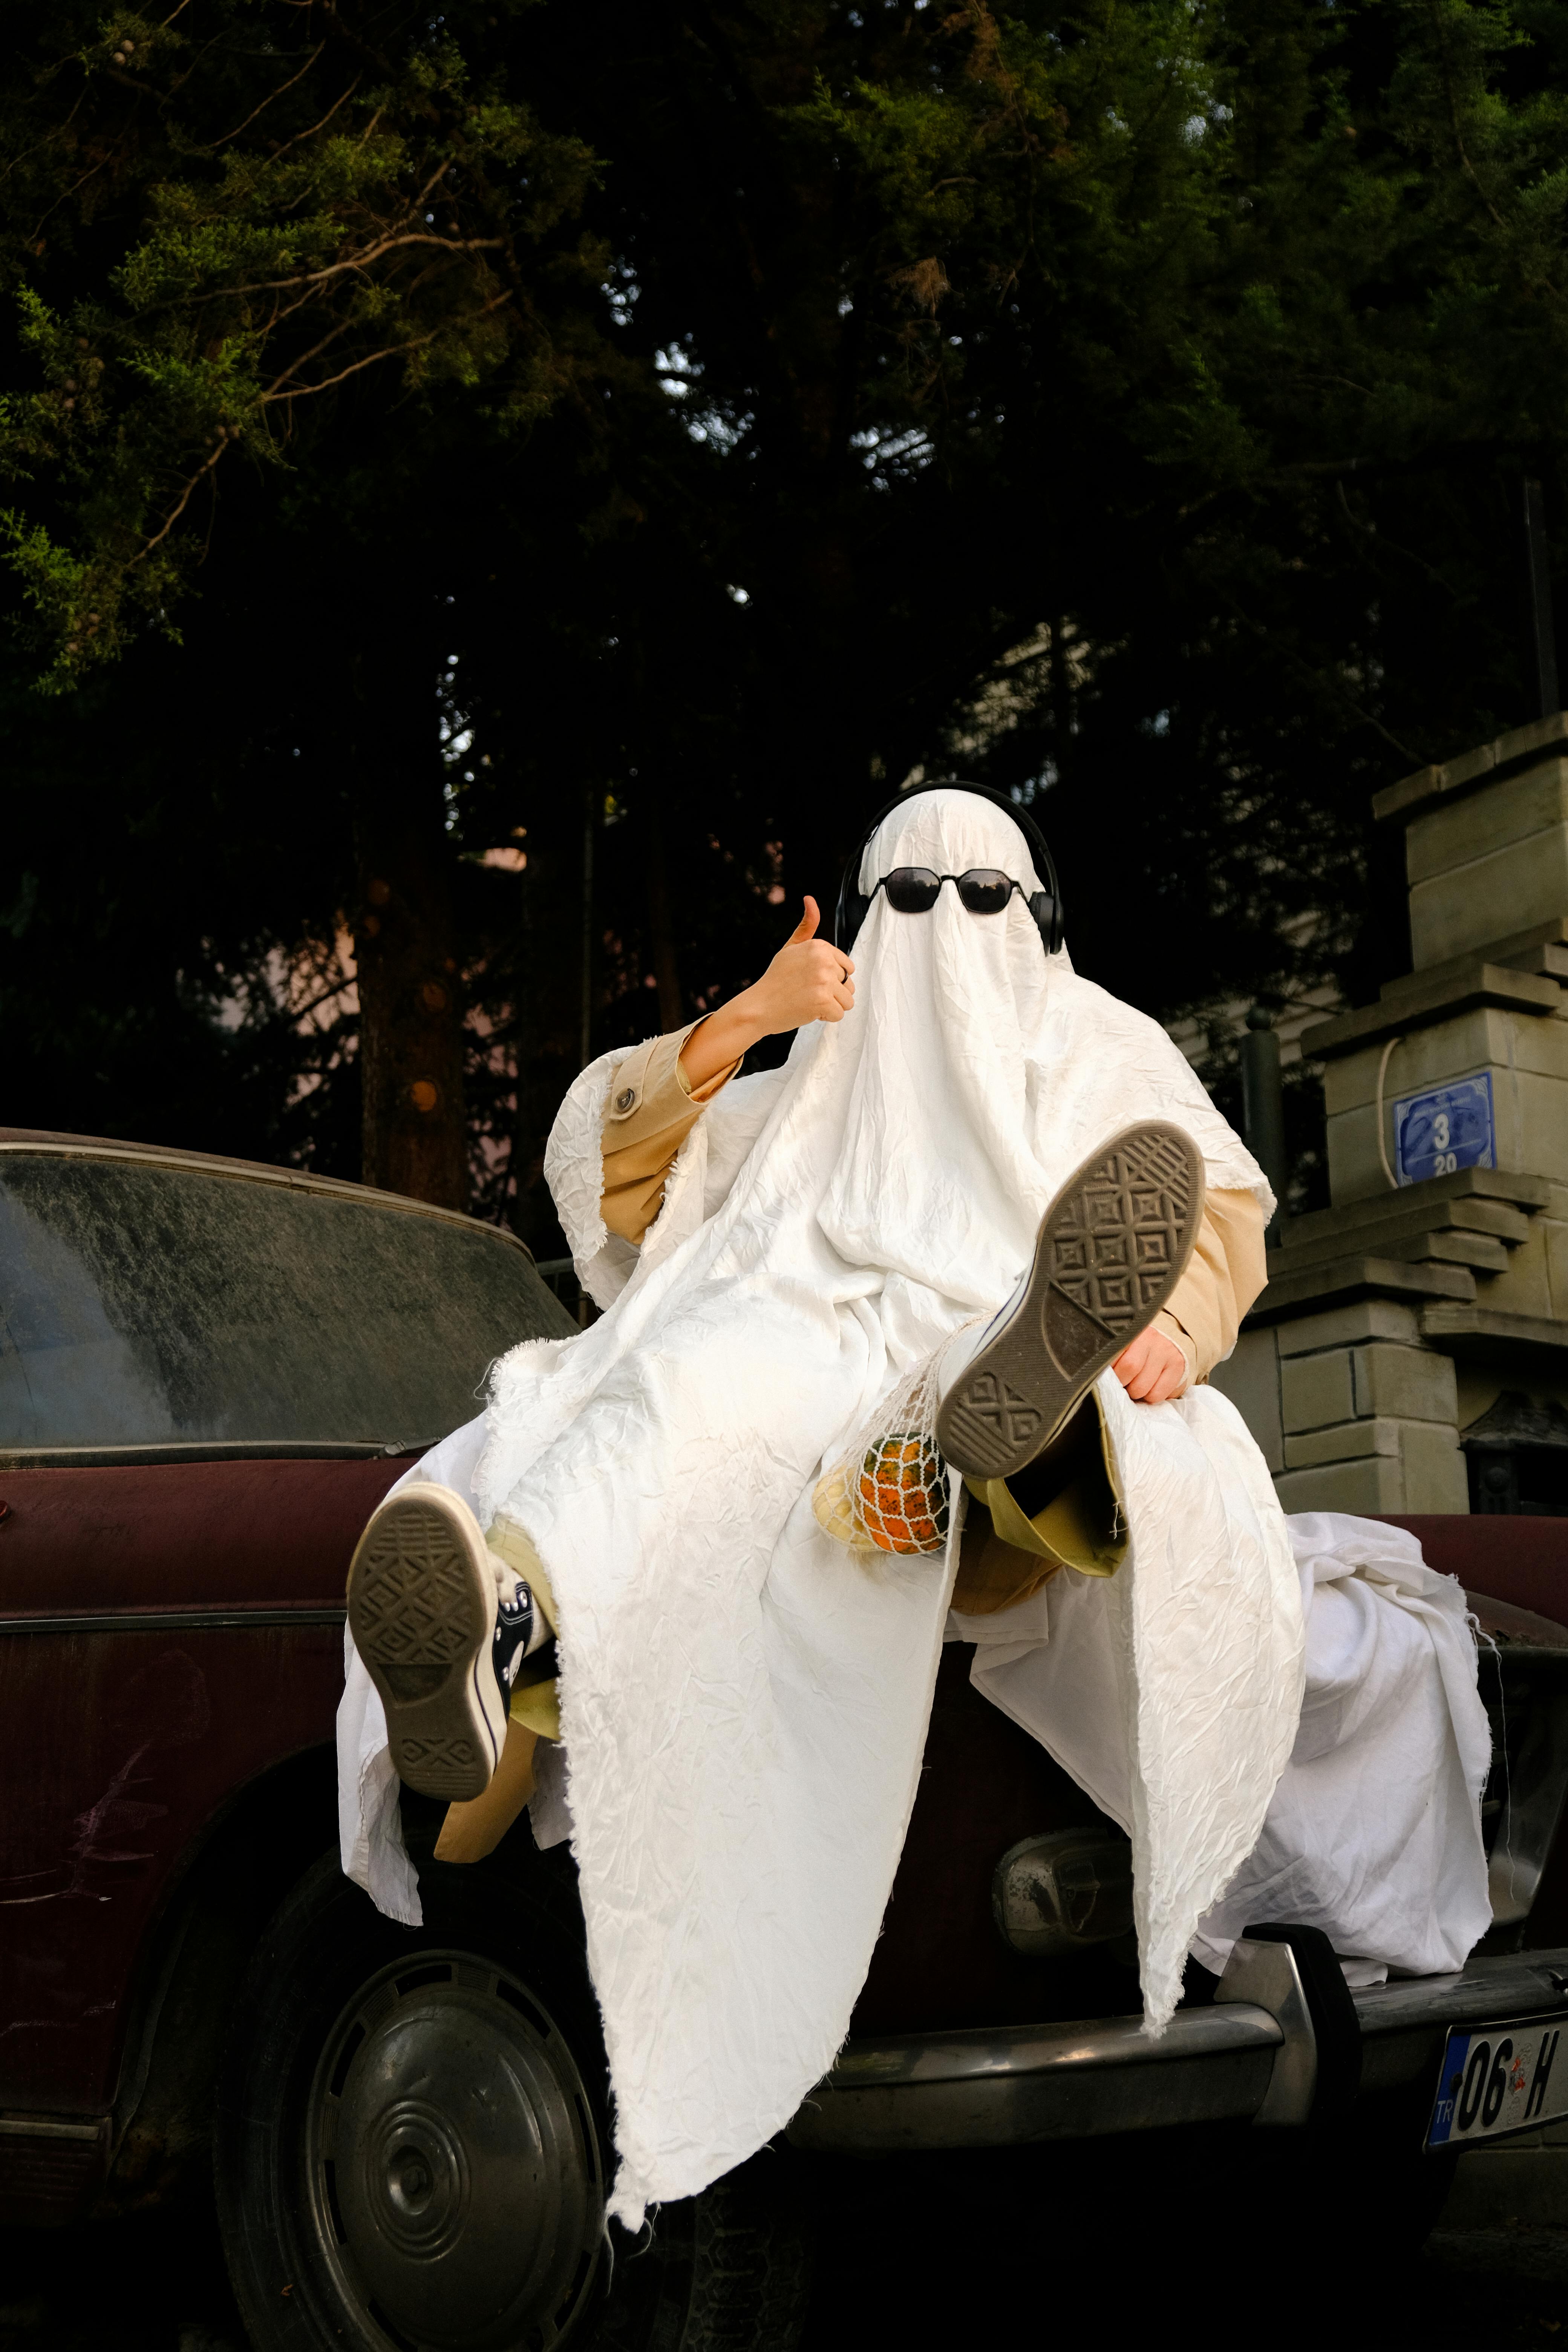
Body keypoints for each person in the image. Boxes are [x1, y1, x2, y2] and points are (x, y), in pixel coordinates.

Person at [338, 785, 1489, 2230]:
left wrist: (1177, 1333)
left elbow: (1214, 1212)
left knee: (1024, 1400)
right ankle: (502, 1632)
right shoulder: (806, 1085)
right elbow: (621, 1178)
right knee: (639, 1425)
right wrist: (750, 1013)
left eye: (985, 898)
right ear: (862, 926)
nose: (948, 930)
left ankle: (995, 1441)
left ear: (1043, 922)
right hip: (789, 1325)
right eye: (911, 899)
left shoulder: (1097, 1046)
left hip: (985, 1327)